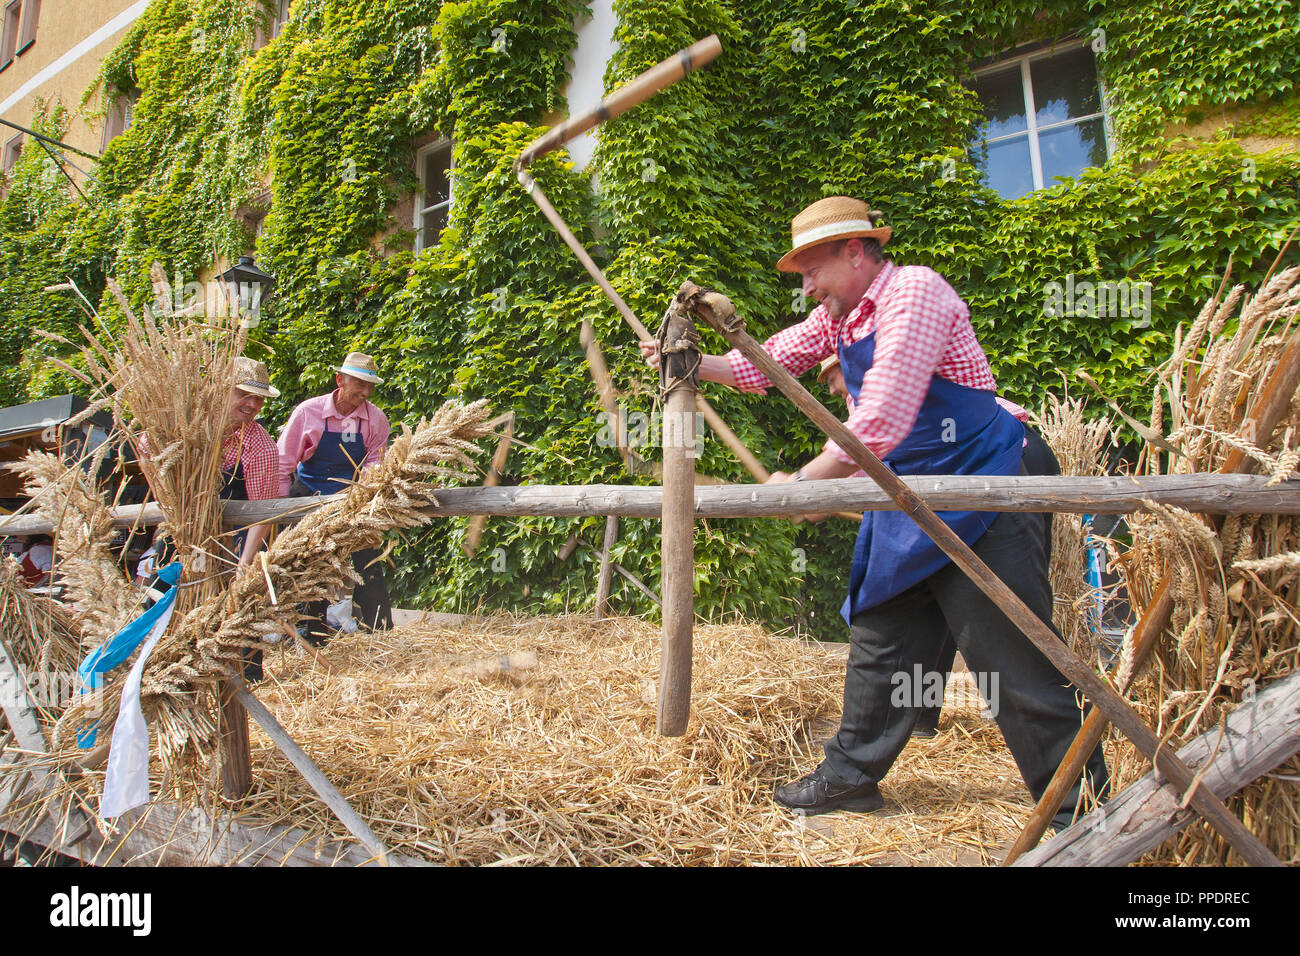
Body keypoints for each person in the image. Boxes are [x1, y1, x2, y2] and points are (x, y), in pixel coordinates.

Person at [640, 196, 1106, 828]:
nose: (805, 288)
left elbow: (879, 420)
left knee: (1007, 649)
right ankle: (851, 775)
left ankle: (1083, 812)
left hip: (984, 480)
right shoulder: (842, 316)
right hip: (908, 484)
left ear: (855, 252)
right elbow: (765, 366)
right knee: (882, 627)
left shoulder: (913, 293)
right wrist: (696, 365)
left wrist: (804, 485)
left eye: (811, 270)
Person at [277, 351, 393, 641]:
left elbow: (373, 464)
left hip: (352, 498)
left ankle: (380, 633)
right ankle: (313, 635)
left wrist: (362, 500)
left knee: (368, 562)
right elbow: (284, 462)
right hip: (308, 495)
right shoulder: (308, 412)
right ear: (339, 380)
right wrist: (277, 511)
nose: (365, 392)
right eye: (359, 384)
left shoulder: (375, 419)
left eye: (370, 386)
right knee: (313, 565)